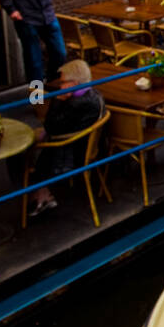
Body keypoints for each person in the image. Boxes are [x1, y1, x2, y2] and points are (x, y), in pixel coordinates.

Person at [26, 60, 105, 217]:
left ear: (74, 83)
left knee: (22, 155)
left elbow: (51, 126)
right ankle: (42, 192)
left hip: (71, 152)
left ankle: (39, 192)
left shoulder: (76, 103)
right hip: (81, 145)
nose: (60, 85)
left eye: (62, 82)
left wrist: (57, 100)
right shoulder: (92, 95)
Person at [0, 0, 66, 84]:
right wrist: (11, 9)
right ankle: (36, 94)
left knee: (60, 53)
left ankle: (51, 84)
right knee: (34, 62)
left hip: (47, 13)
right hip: (26, 16)